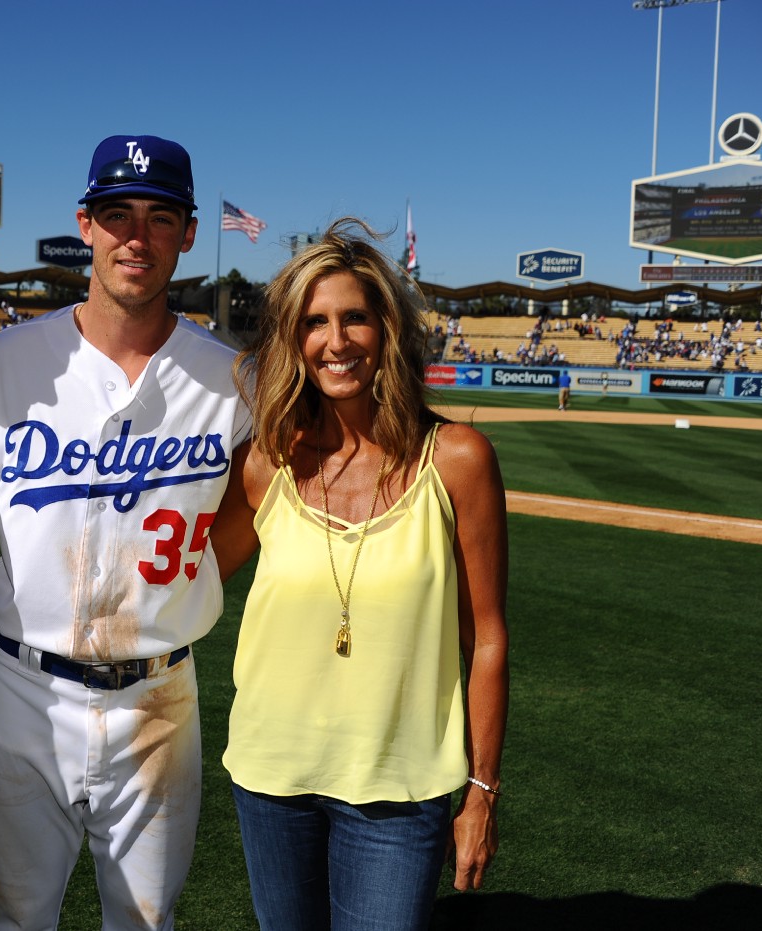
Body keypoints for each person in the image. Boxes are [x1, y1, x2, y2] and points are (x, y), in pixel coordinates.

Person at [0, 134, 251, 930]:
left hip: (161, 694)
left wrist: (187, 575)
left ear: (189, 234)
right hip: (24, 689)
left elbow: (255, 502)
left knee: (146, 921)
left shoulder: (231, 381)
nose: (138, 235)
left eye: (161, 217)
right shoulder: (8, 361)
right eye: (116, 213)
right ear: (84, 224)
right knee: (17, 917)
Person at [211, 218, 509, 931]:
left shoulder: (458, 458)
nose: (335, 341)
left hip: (400, 793)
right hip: (270, 777)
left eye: (354, 318)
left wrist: (481, 791)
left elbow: (488, 639)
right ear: (292, 339)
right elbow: (187, 575)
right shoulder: (265, 460)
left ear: (388, 329)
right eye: (314, 322)